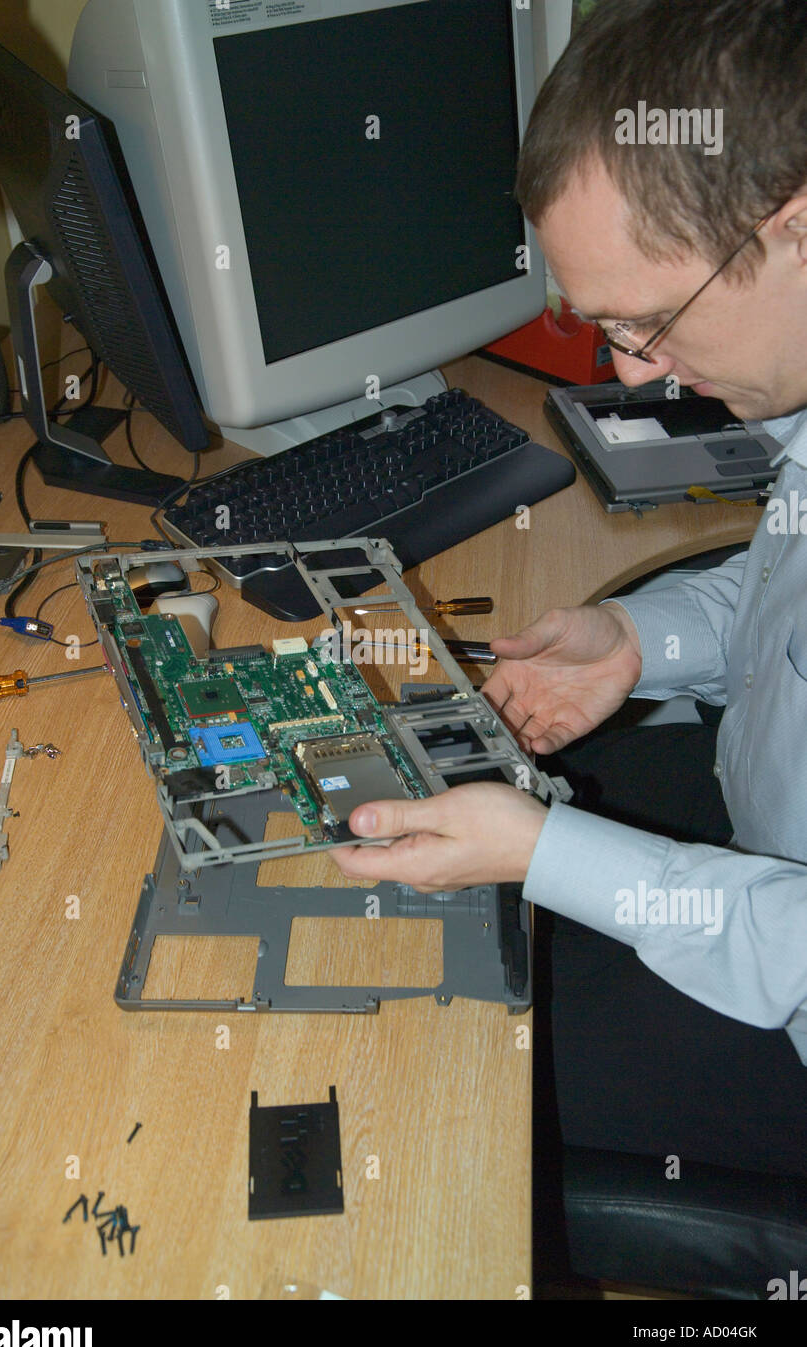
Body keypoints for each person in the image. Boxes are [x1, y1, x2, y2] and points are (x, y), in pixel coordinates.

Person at [329, 0, 807, 1210]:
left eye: (646, 321)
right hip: (753, 837)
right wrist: (638, 639)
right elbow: (775, 587)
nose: (630, 372)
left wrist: (545, 850)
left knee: (396, 1088)